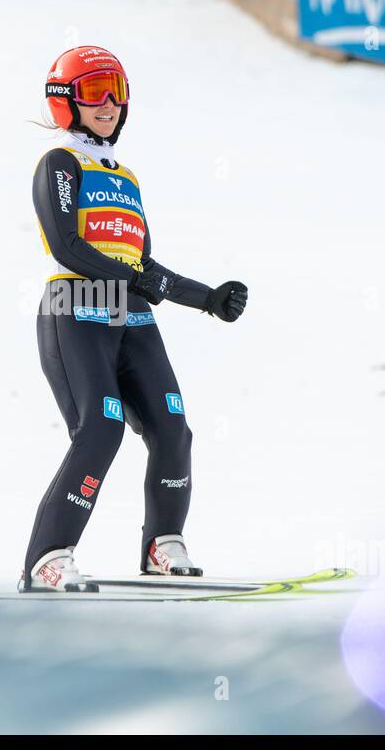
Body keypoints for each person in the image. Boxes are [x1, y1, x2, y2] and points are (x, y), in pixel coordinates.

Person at [20, 45, 248, 593]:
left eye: (118, 93)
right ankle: (47, 557)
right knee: (101, 428)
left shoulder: (126, 177)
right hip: (75, 305)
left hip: (131, 313)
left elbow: (142, 265)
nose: (110, 105)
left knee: (173, 429)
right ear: (66, 102)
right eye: (96, 92)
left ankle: (162, 544)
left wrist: (208, 298)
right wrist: (135, 279)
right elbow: (67, 246)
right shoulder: (61, 162)